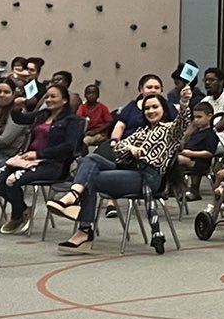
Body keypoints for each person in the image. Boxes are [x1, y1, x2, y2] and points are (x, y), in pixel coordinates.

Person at [48, 86, 194, 254]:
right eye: (147, 108)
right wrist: (131, 147)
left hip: (148, 177)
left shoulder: (170, 130)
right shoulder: (141, 131)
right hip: (128, 169)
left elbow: (182, 123)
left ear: (164, 110)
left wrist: (184, 102)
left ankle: (83, 228)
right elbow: (117, 148)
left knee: (90, 178)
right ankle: (74, 198)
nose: (150, 111)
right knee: (91, 159)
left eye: (155, 107)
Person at [0, 81, 86, 233]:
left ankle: (17, 216)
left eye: (53, 96)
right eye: (47, 97)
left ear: (64, 100)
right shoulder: (42, 115)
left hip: (54, 164)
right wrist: (17, 107)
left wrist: (39, 154)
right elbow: (20, 119)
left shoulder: (72, 121)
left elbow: (69, 147)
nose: (49, 100)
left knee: (12, 181)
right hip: (28, 160)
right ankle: (22, 210)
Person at [166, 100, 220, 200]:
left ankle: (180, 188)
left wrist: (190, 153)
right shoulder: (196, 132)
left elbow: (209, 153)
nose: (196, 120)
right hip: (187, 157)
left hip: (199, 162)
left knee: (175, 159)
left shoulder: (210, 134)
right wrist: (189, 132)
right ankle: (171, 187)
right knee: (169, 157)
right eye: (194, 117)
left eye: (199, 117)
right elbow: (184, 141)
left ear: (210, 116)